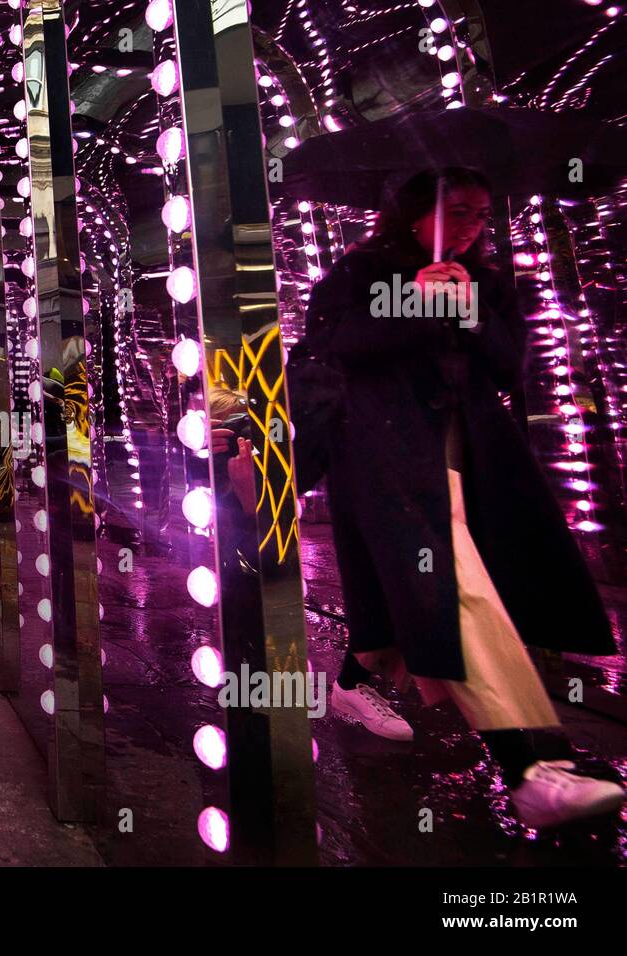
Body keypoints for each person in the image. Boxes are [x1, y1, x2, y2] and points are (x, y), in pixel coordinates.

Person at [305, 167, 624, 828]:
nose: (473, 225)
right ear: (416, 213)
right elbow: (333, 347)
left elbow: (511, 367)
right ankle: (530, 768)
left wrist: (469, 310)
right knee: (452, 591)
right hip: (381, 456)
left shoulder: (489, 281)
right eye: (459, 210)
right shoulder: (360, 271)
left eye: (482, 213)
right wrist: (413, 304)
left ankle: (357, 683)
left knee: (426, 590)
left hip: (468, 459)